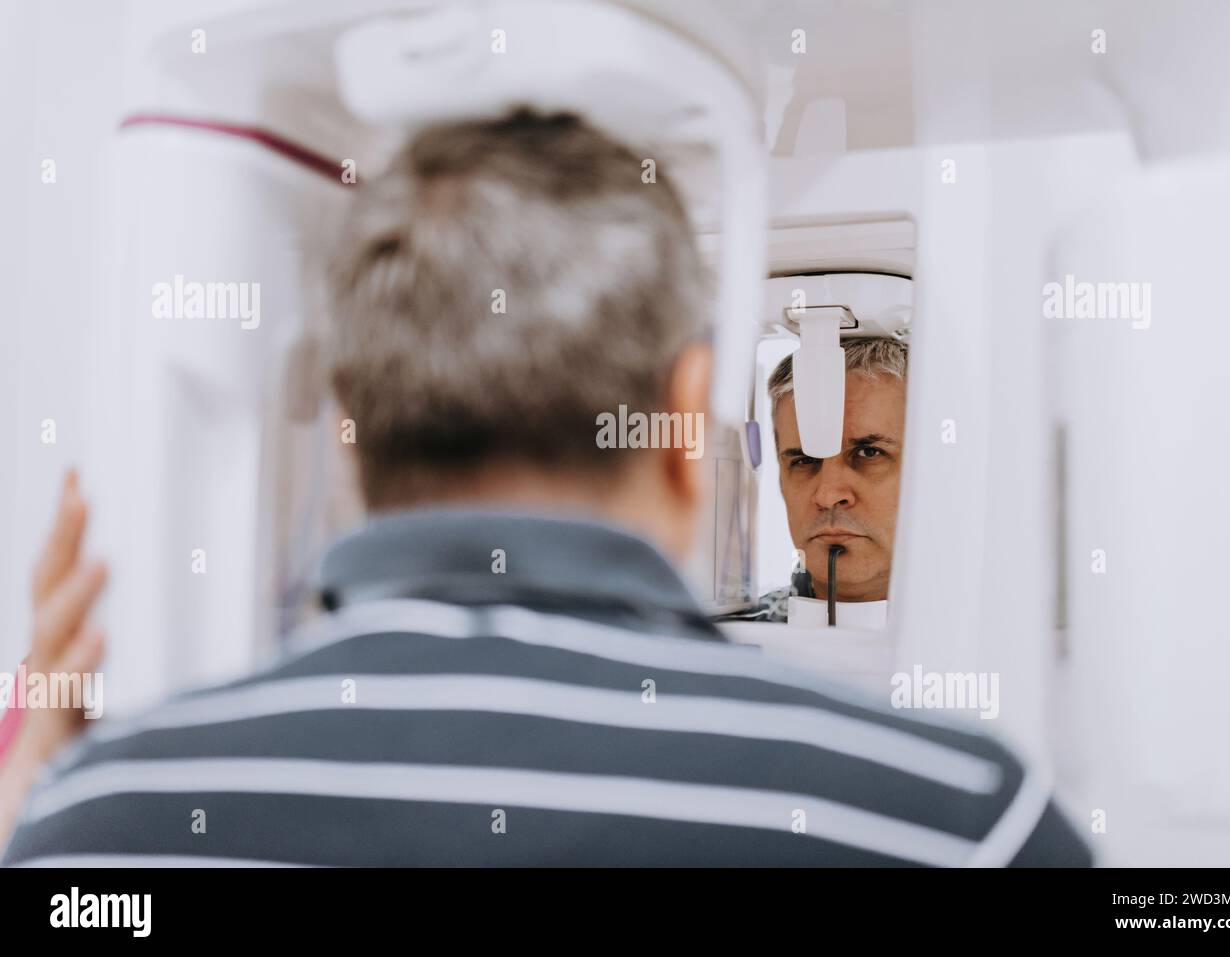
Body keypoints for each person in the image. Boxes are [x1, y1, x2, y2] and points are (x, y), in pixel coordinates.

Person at [1, 109, 1089, 866]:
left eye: (872, 456)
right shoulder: (960, 821)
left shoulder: (108, 827)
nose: (835, 489)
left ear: (347, 431)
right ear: (686, 423)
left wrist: (37, 796)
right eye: (805, 457)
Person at [721, 338, 907, 624]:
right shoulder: (725, 641)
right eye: (804, 461)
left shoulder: (989, 643)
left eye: (869, 453)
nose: (828, 494)